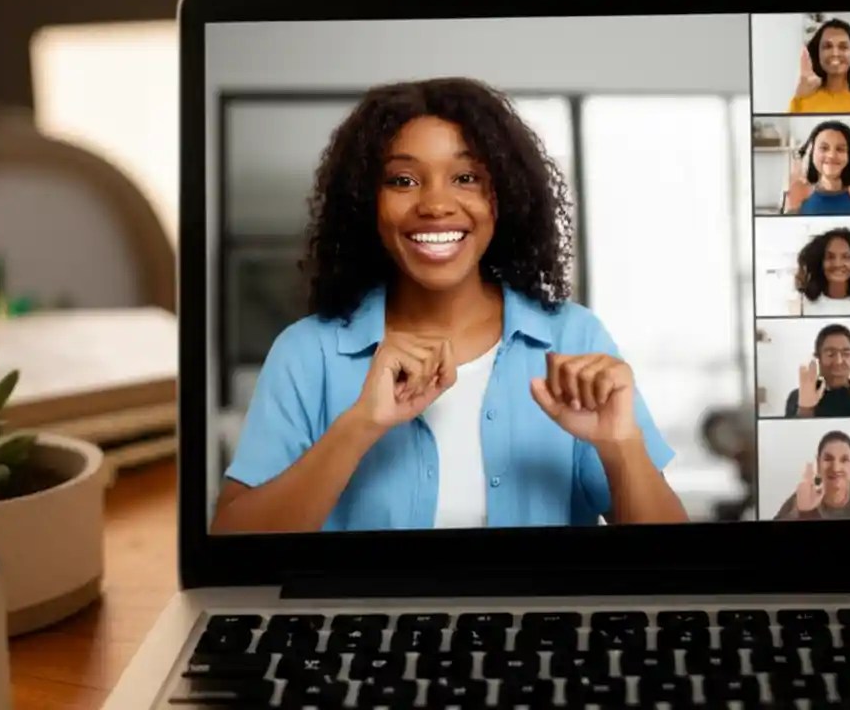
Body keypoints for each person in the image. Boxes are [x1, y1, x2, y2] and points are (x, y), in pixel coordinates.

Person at [211, 77, 688, 534]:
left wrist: (621, 446)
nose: (436, 204)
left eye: (465, 177)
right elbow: (232, 546)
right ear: (365, 204)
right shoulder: (306, 353)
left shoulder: (574, 337)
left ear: (504, 197)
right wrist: (358, 427)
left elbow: (677, 565)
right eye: (402, 180)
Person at [785, 324, 850, 418]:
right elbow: (792, 438)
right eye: (830, 354)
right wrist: (805, 408)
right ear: (818, 357)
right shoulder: (798, 396)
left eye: (846, 353)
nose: (839, 361)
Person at [788, 18, 850, 114]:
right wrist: (799, 97)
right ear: (817, 53)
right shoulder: (804, 98)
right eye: (827, 46)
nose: (835, 53)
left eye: (843, 47)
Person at [783, 121, 850, 216]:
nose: (832, 155)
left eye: (840, 149)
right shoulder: (799, 197)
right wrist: (792, 206)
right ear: (812, 154)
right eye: (824, 148)